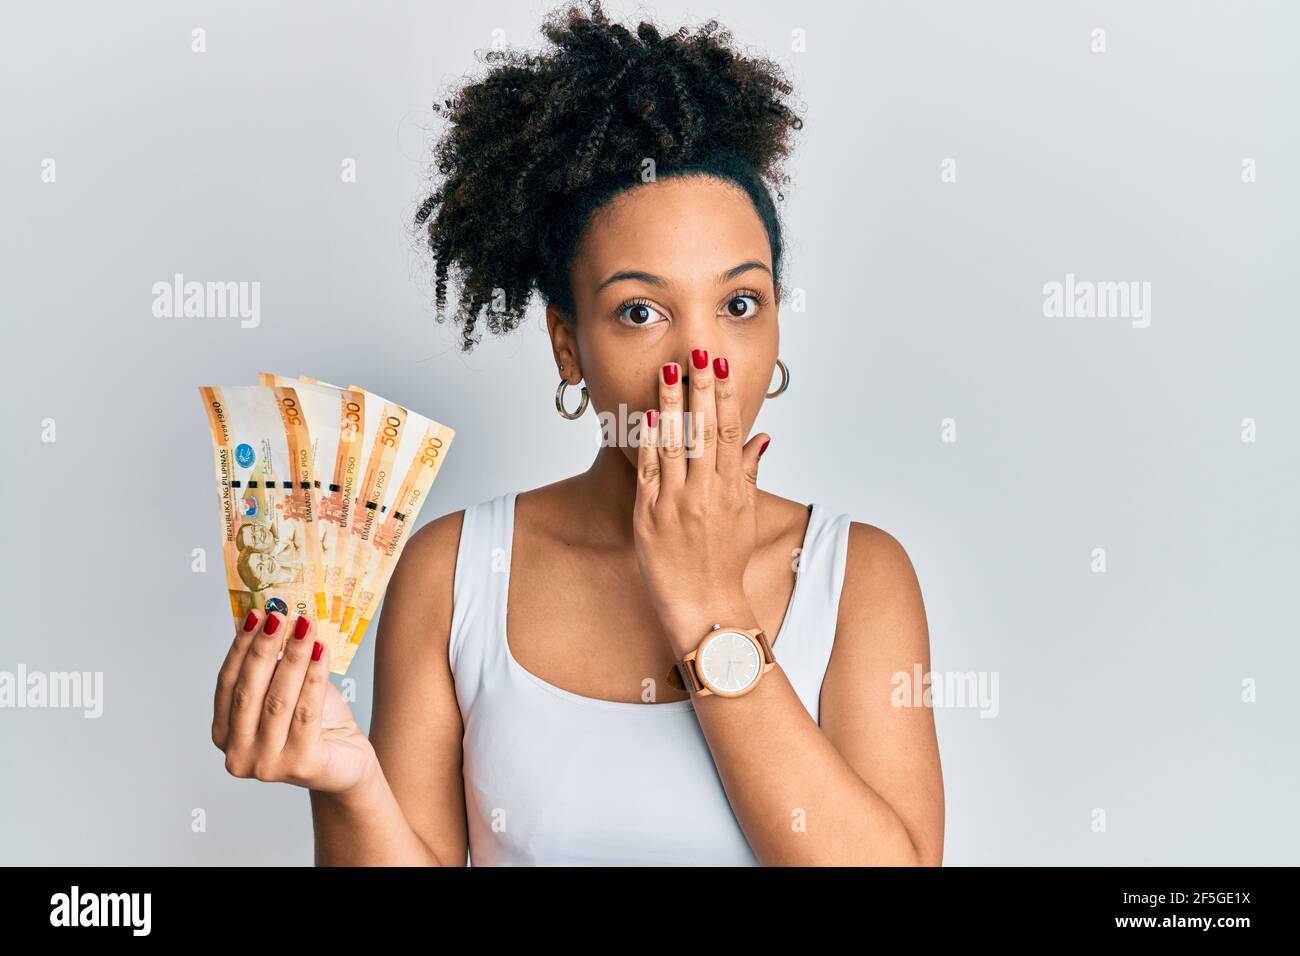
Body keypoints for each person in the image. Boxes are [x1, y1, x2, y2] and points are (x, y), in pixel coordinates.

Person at [212, 0, 943, 866]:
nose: (702, 358)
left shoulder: (857, 576)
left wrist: (708, 604)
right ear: (568, 345)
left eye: (740, 304)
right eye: (640, 311)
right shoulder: (454, 575)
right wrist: (348, 785)